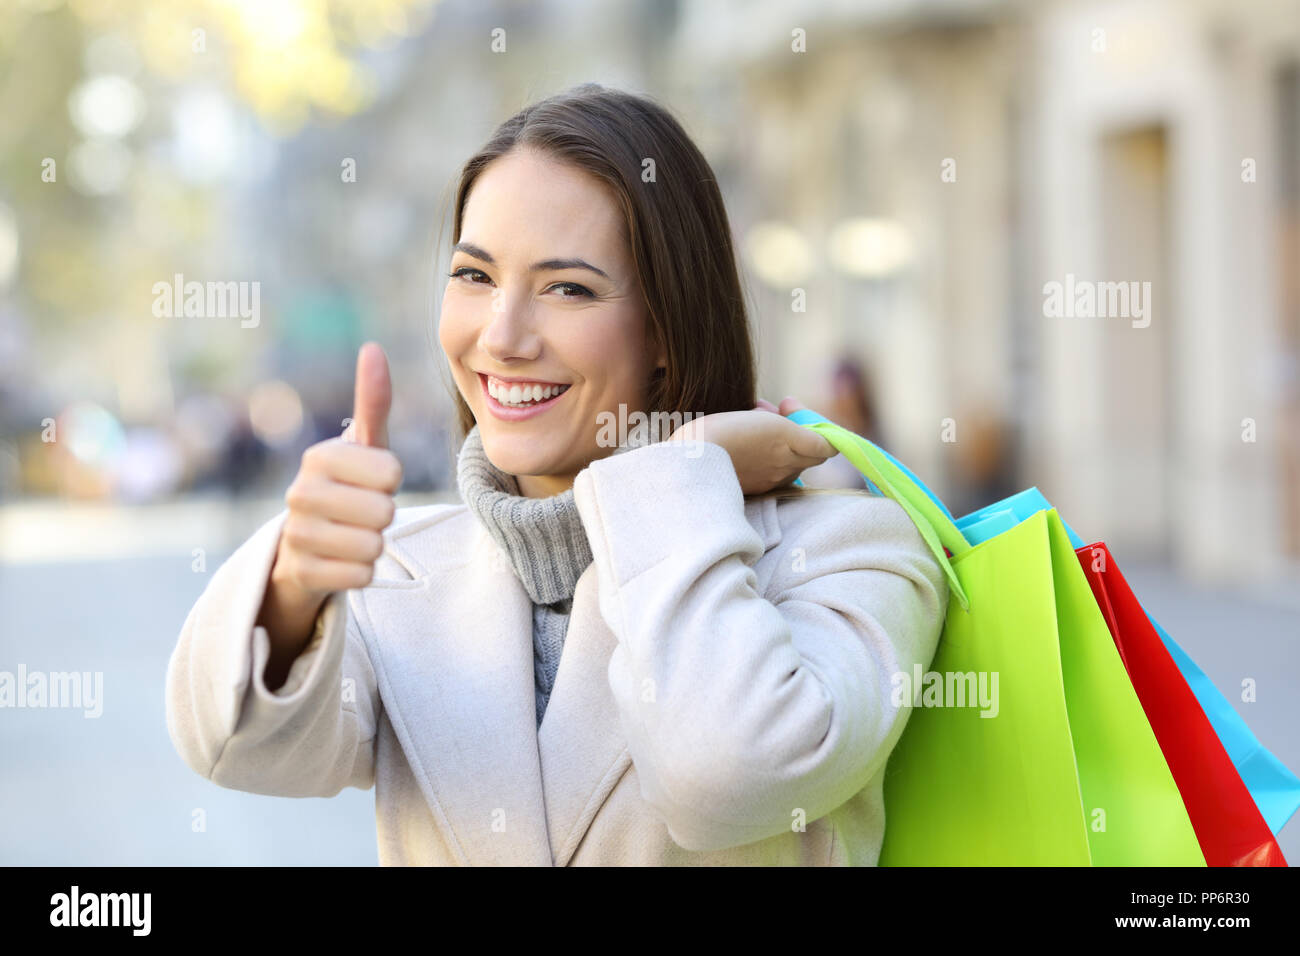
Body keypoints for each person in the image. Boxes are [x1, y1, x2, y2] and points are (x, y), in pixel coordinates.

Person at [164, 83, 950, 866]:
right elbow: (234, 745)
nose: (502, 337)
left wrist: (678, 474)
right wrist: (294, 586)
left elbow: (728, 775)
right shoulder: (399, 574)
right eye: (475, 276)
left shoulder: (854, 554)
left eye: (567, 288)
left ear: (670, 328)